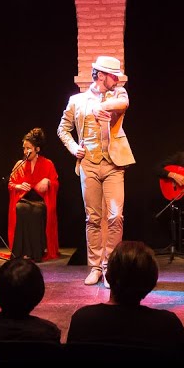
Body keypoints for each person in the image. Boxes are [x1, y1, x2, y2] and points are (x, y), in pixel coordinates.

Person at [57, 55, 133, 286]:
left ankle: (111, 267)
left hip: (113, 164)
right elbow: (63, 129)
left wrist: (100, 105)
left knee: (115, 216)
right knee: (93, 218)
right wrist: (73, 148)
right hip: (89, 163)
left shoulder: (119, 94)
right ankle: (95, 267)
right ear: (101, 75)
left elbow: (124, 105)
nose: (117, 80)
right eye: (113, 76)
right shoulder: (77, 100)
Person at [7, 128, 60, 261]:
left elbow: (55, 183)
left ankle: (37, 252)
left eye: (28, 148)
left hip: (40, 201)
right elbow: (10, 183)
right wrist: (18, 186)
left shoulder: (47, 164)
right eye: (24, 148)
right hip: (24, 200)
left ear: (37, 149)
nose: (26, 151)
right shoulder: (20, 164)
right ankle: (21, 252)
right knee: (21, 208)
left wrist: (47, 181)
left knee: (36, 211)